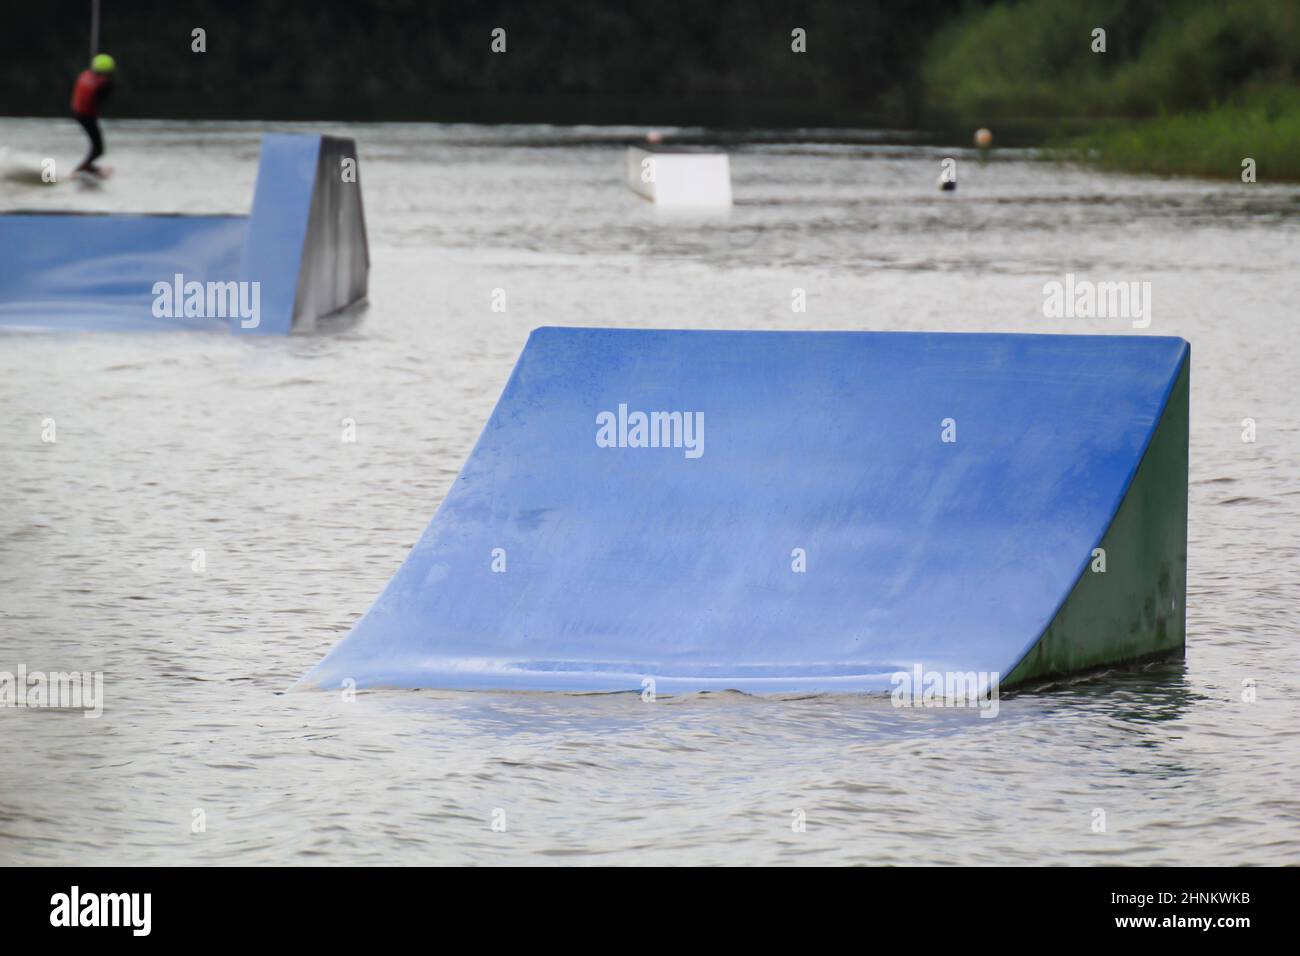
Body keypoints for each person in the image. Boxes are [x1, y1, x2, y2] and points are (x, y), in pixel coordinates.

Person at [71, 54, 115, 174]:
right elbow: (102, 96)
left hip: (79, 112)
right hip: (87, 116)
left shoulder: (84, 75)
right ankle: (81, 169)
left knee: (96, 147)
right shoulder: (104, 85)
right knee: (99, 149)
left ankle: (87, 166)